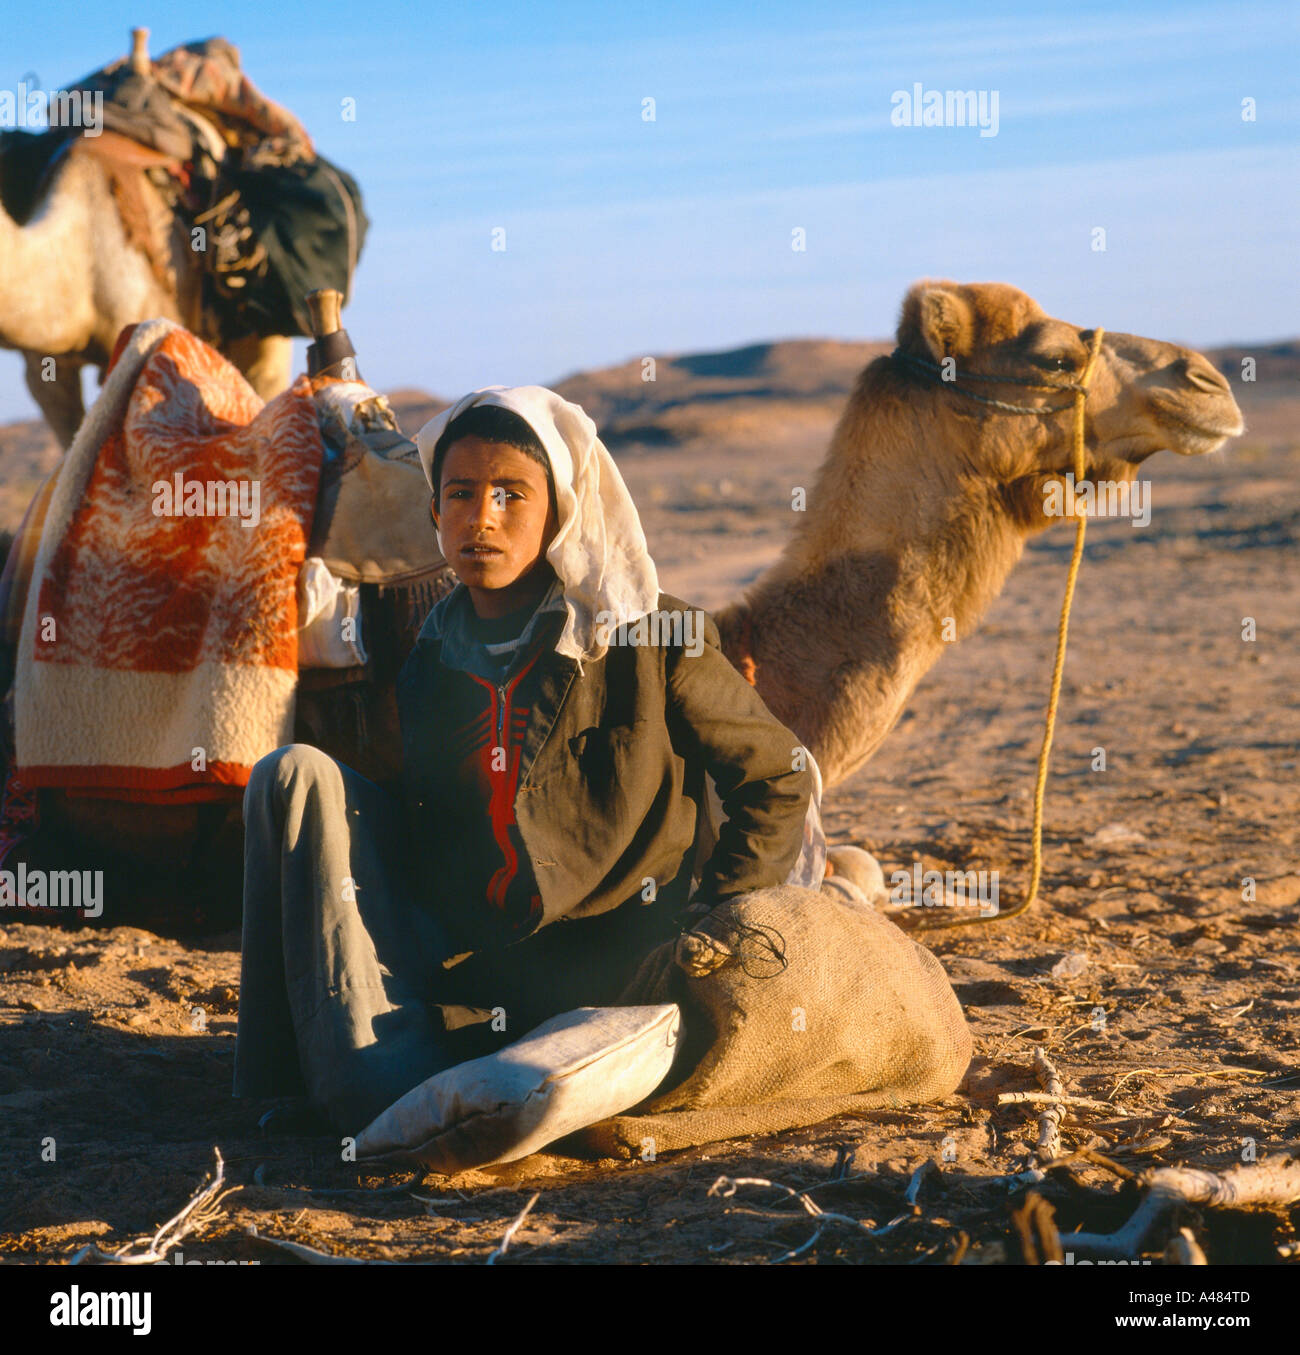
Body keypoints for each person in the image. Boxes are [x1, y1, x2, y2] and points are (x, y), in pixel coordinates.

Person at [234, 385, 818, 1136]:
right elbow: (425, 834)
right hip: (471, 979)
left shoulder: (653, 636)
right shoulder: (431, 661)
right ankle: (305, 1079)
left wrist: (709, 926)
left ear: (561, 511)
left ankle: (381, 1094)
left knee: (428, 1102)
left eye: (512, 494)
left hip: (615, 976)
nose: (482, 518)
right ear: (434, 511)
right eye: (461, 493)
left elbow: (778, 775)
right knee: (290, 777)